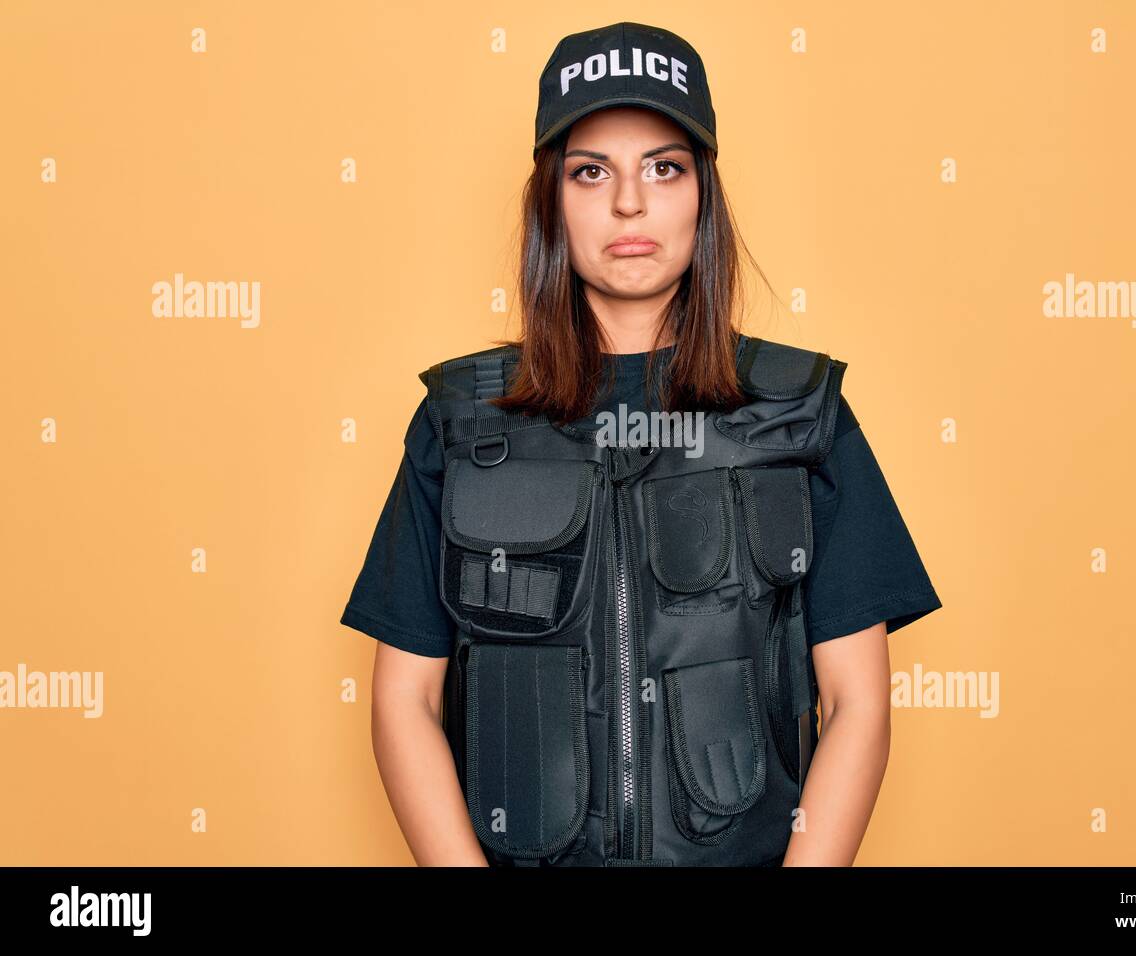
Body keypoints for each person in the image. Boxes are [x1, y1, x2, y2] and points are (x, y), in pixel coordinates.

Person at [340, 21, 941, 866]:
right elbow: (403, 702)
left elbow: (856, 704)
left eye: (664, 167)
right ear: (552, 200)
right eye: (593, 172)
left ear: (703, 195)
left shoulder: (800, 413)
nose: (630, 203)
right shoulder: (460, 421)